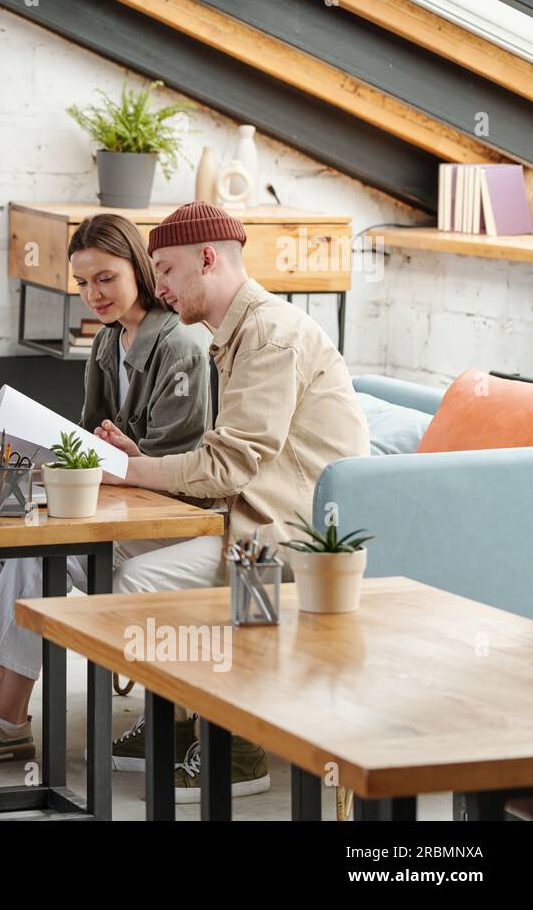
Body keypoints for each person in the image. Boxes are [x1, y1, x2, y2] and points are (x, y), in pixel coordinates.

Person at [92, 200, 370, 800]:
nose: (156, 284)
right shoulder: (236, 335)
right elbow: (230, 463)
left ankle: (236, 744)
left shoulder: (270, 335)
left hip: (289, 536)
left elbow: (229, 461)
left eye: (164, 269)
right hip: (246, 517)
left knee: (137, 580)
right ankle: (183, 719)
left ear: (207, 260)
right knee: (108, 546)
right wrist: (138, 466)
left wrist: (134, 471)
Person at [0, 213, 214, 768]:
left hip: (173, 526)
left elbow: (178, 472)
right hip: (119, 514)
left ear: (139, 268)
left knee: (34, 551)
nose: (93, 294)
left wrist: (110, 453)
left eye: (106, 279)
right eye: (83, 284)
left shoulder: (181, 344)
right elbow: (86, 441)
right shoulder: (106, 343)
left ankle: (4, 717)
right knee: (12, 550)